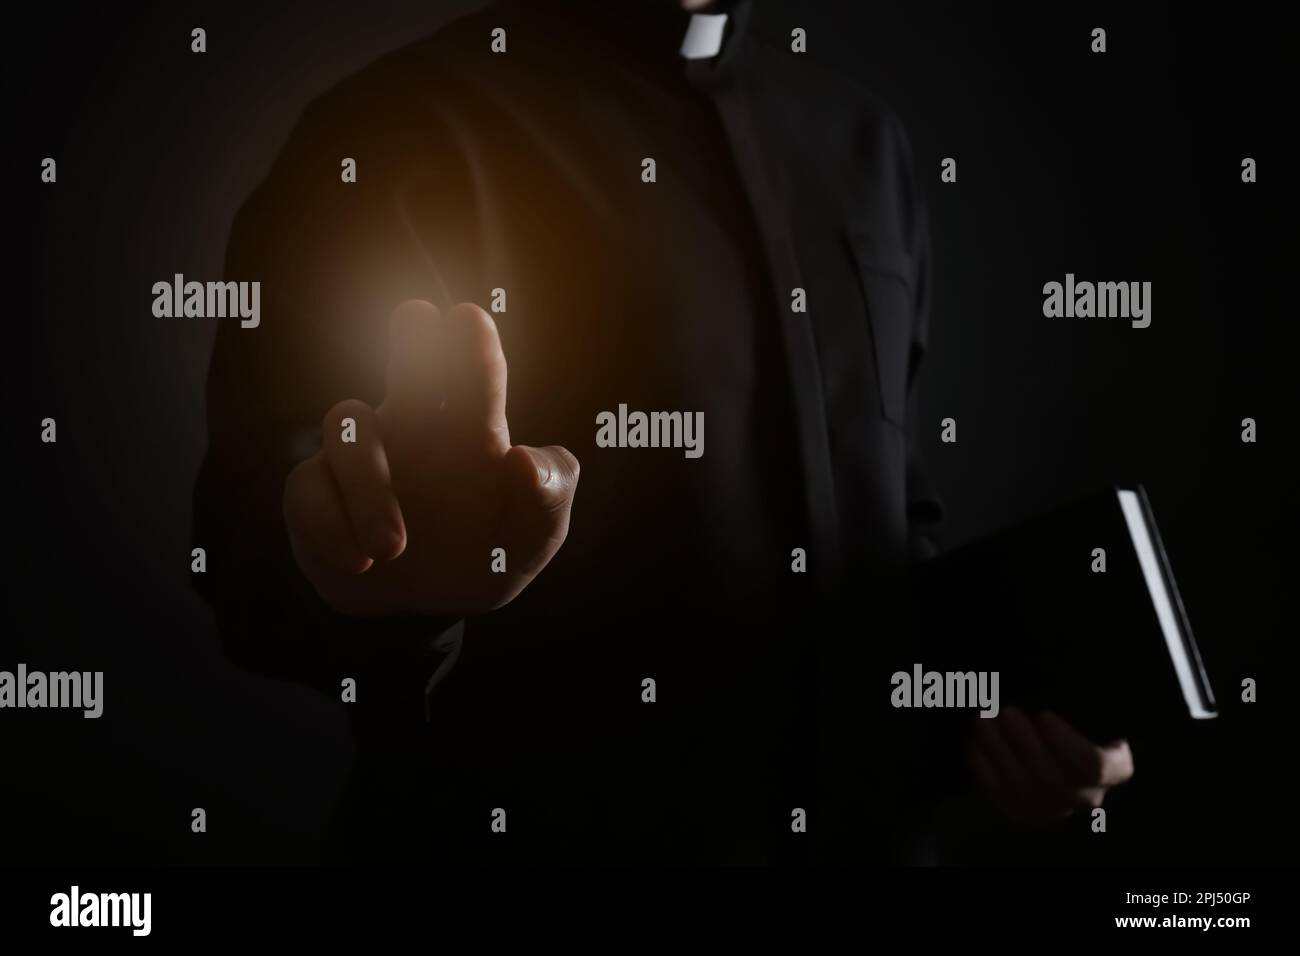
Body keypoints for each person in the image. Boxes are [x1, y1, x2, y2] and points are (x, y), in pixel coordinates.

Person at [192, 0, 1132, 864]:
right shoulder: (389, 132)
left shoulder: (865, 142)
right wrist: (389, 589)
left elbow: (893, 522)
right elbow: (250, 561)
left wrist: (1005, 724)